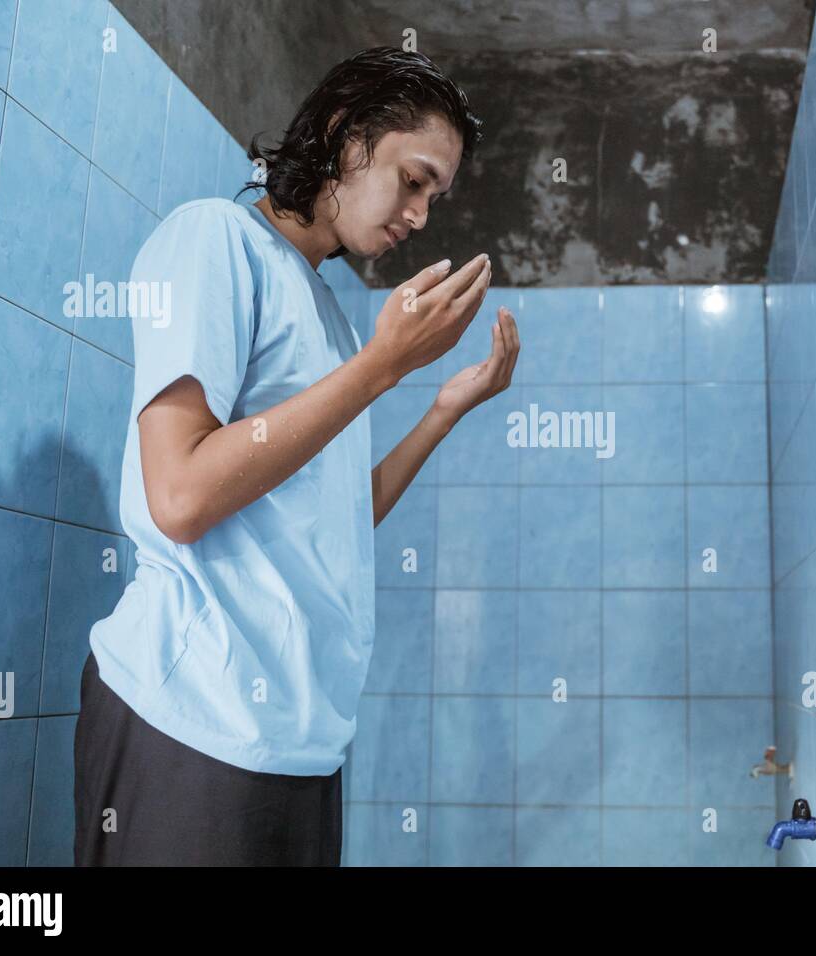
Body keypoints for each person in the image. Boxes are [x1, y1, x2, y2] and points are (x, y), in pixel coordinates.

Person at [73, 46, 520, 866]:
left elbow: (334, 510)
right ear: (347, 139)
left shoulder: (335, 318)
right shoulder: (213, 241)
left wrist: (441, 410)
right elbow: (178, 496)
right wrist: (383, 368)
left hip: (302, 745)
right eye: (413, 179)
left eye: (436, 196)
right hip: (193, 718)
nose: (421, 216)